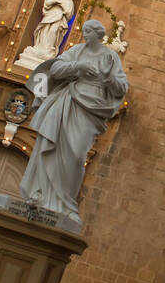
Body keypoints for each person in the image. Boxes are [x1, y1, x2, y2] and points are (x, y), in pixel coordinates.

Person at [19, 19, 127, 231]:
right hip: (68, 102)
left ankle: (66, 203)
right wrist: (78, 66)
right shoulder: (77, 50)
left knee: (76, 154)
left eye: (89, 32)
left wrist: (107, 79)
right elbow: (56, 68)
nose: (85, 35)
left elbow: (121, 86)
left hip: (90, 109)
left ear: (98, 35)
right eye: (84, 31)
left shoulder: (110, 56)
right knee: (50, 148)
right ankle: (41, 196)